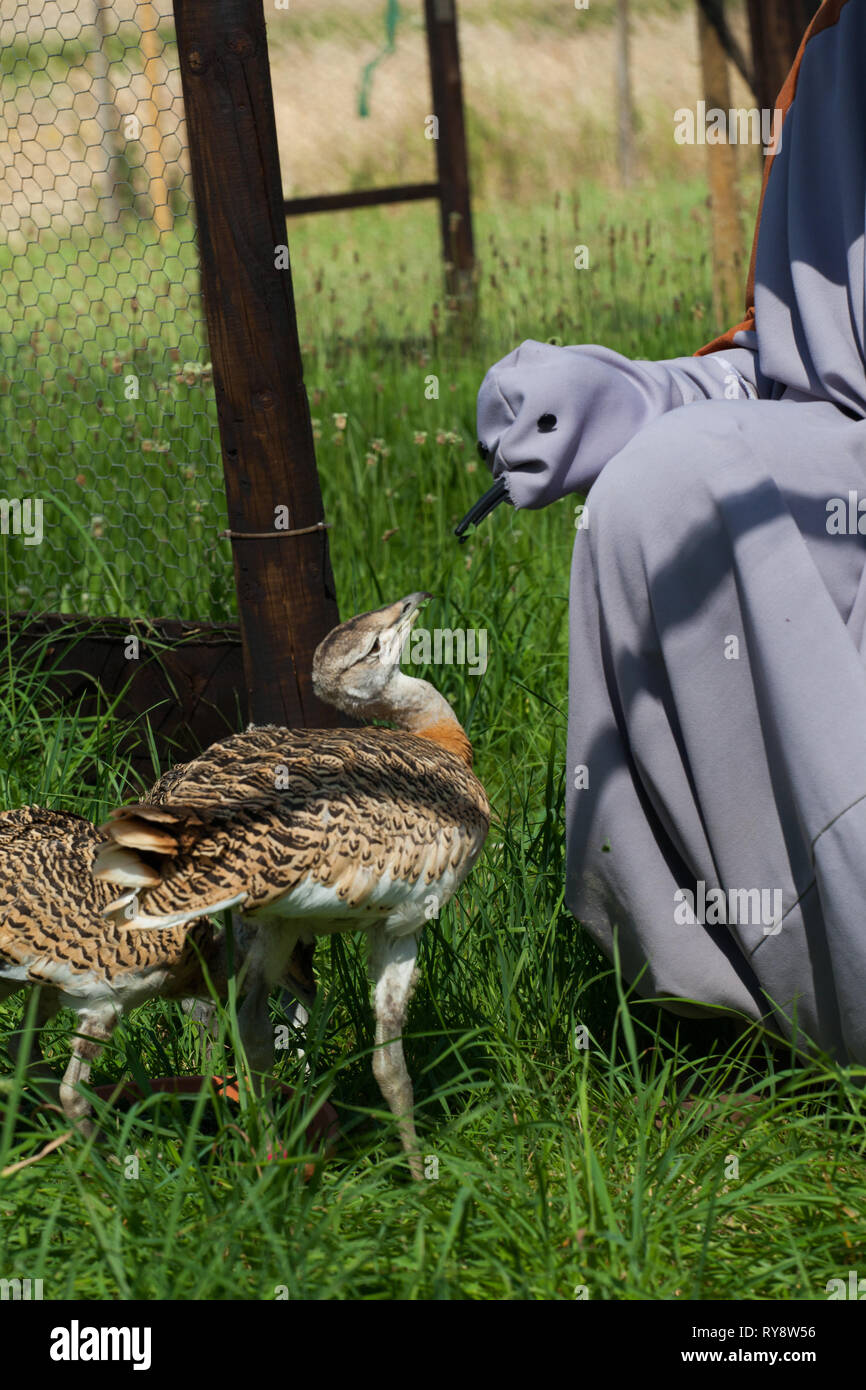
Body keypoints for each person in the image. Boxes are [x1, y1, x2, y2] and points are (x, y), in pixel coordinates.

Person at [463, 0, 866, 1064]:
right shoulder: (837, 44)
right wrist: (642, 400)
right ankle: (725, 1012)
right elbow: (802, 365)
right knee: (664, 488)